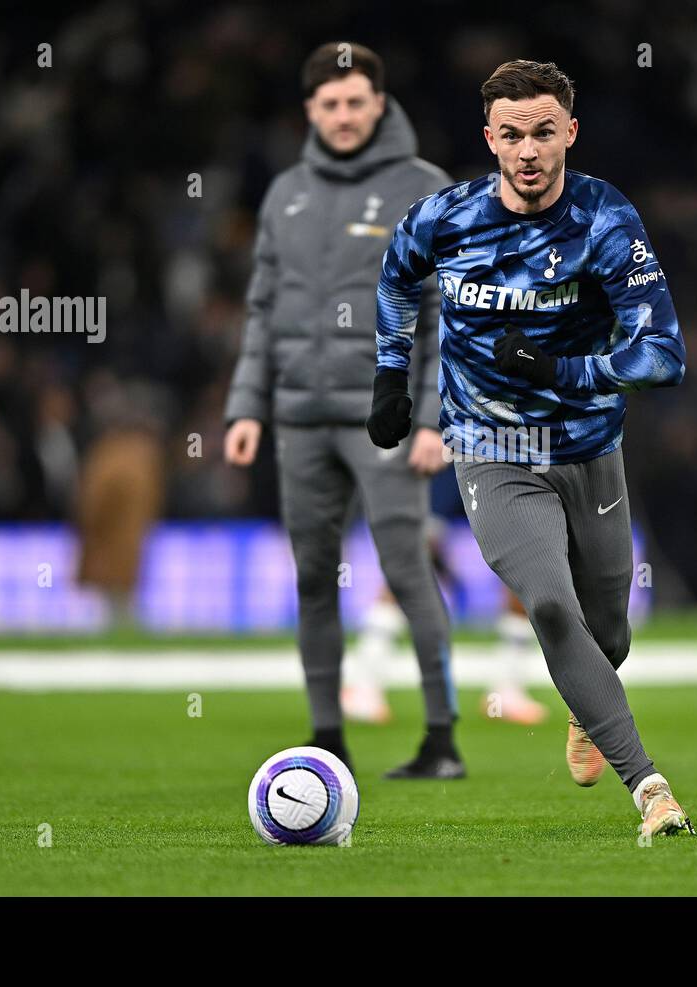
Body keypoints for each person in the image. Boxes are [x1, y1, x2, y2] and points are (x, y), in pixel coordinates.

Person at [367, 59, 693, 836]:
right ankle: (651, 789)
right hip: (491, 449)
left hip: (590, 449)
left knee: (607, 633)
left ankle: (589, 702)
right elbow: (395, 274)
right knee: (548, 601)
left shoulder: (606, 220)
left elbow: (665, 356)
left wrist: (560, 368)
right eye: (511, 135)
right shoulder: (445, 218)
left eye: (544, 132)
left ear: (569, 133)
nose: (529, 151)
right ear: (490, 138)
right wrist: (389, 375)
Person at [224, 42, 462, 779]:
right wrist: (245, 408)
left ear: (380, 103)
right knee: (312, 577)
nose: (344, 115)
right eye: (329, 104)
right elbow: (263, 312)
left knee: (406, 569)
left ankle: (440, 738)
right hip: (299, 420)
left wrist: (434, 418)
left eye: (357, 101)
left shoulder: (425, 188)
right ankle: (327, 734)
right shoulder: (285, 193)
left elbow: (445, 314)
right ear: (310, 111)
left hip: (384, 419)